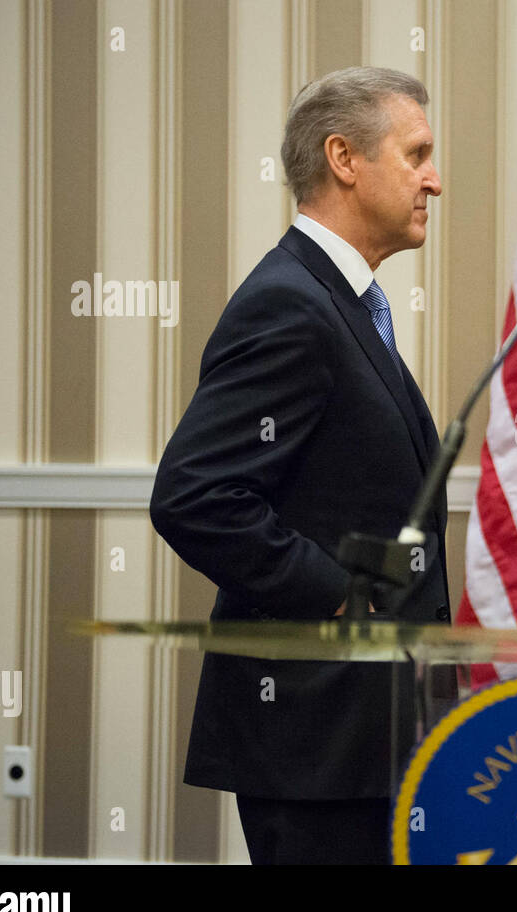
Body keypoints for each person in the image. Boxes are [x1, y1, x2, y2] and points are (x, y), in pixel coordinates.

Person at [150, 67, 447, 864]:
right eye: (417, 153)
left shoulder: (341, 300)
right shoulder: (290, 302)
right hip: (318, 734)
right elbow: (195, 496)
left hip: (366, 734)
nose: (435, 179)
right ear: (344, 158)